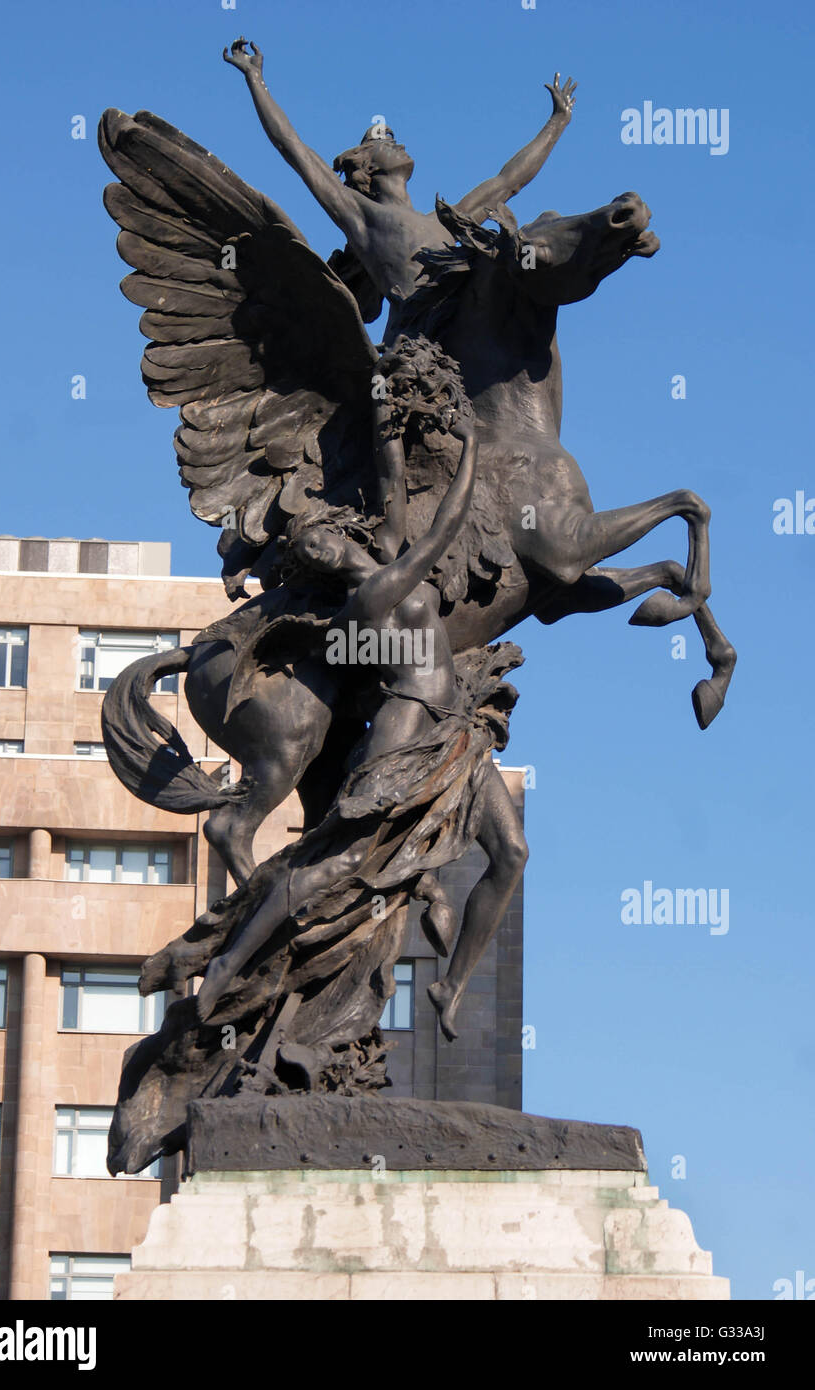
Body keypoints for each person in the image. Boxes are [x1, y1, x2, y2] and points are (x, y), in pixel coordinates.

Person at [197, 340, 528, 1038]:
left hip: (454, 721)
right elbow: (441, 524)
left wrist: (385, 422)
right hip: (414, 723)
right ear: (331, 553)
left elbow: (392, 492)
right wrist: (467, 448)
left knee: (512, 853)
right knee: (340, 860)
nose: (344, 536)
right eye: (328, 541)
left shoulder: (380, 563)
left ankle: (451, 986)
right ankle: (233, 962)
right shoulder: (377, 589)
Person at [222, 38, 575, 325]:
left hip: (454, 344)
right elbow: (293, 148)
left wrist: (557, 122)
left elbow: (508, 182)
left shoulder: (443, 222)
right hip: (412, 360)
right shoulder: (363, 216)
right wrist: (256, 79)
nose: (397, 141)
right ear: (368, 167)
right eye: (385, 142)